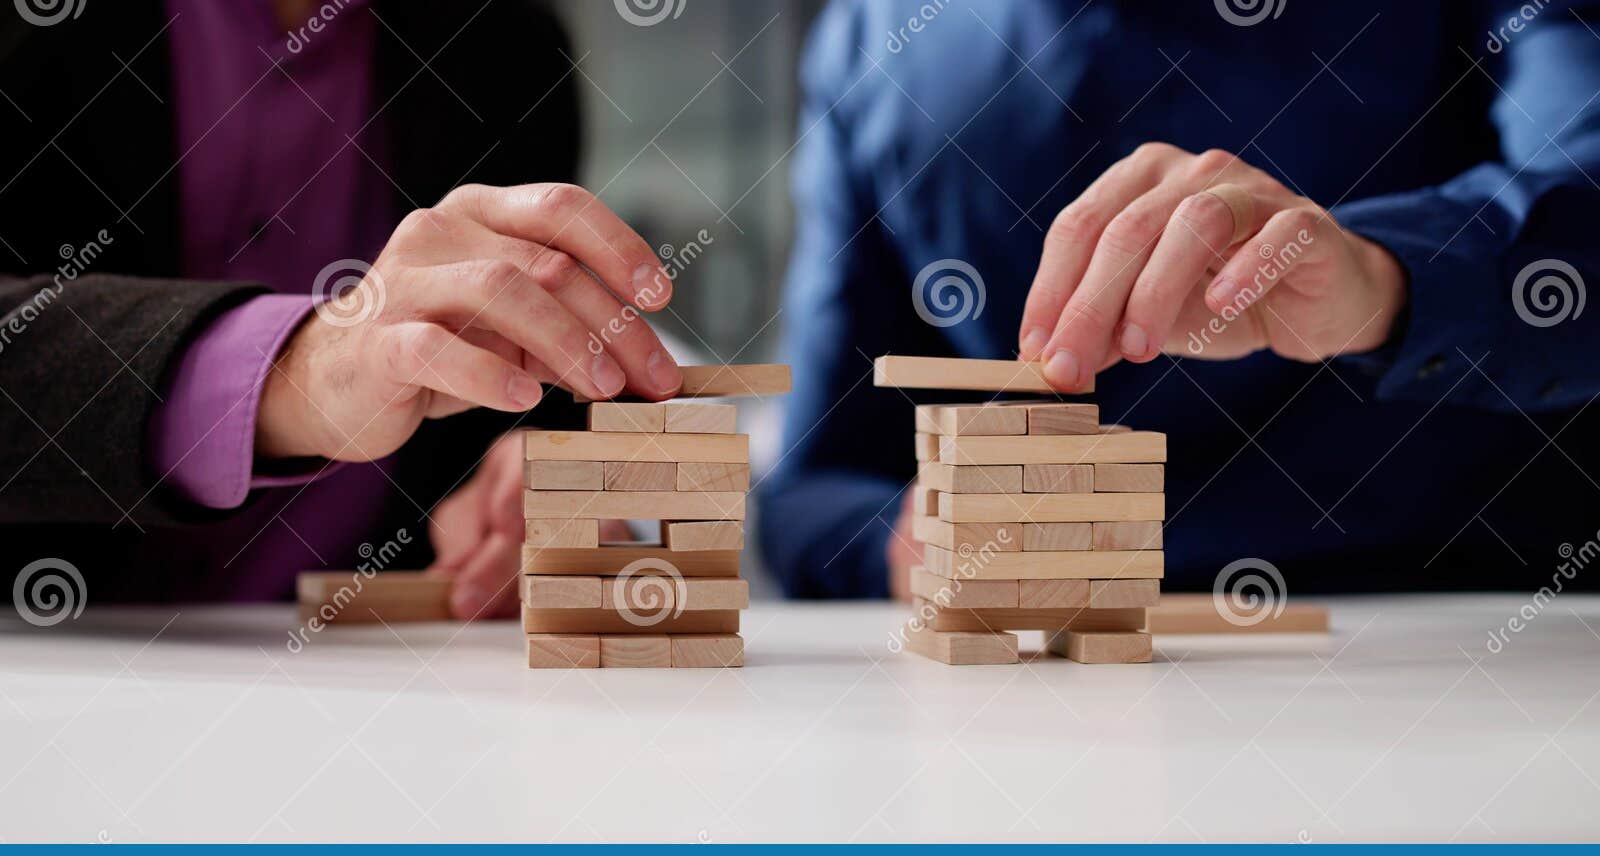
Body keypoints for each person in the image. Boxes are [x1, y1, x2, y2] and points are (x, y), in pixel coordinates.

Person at [759, 0, 1600, 599]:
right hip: (1036, 689)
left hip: (1466, 632)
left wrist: (1382, 278)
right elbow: (815, 483)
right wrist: (914, 545)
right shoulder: (874, 34)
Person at [0, 1, 678, 620]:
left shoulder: (506, 41)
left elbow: (513, 399)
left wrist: (530, 483)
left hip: (388, 683)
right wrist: (293, 371)